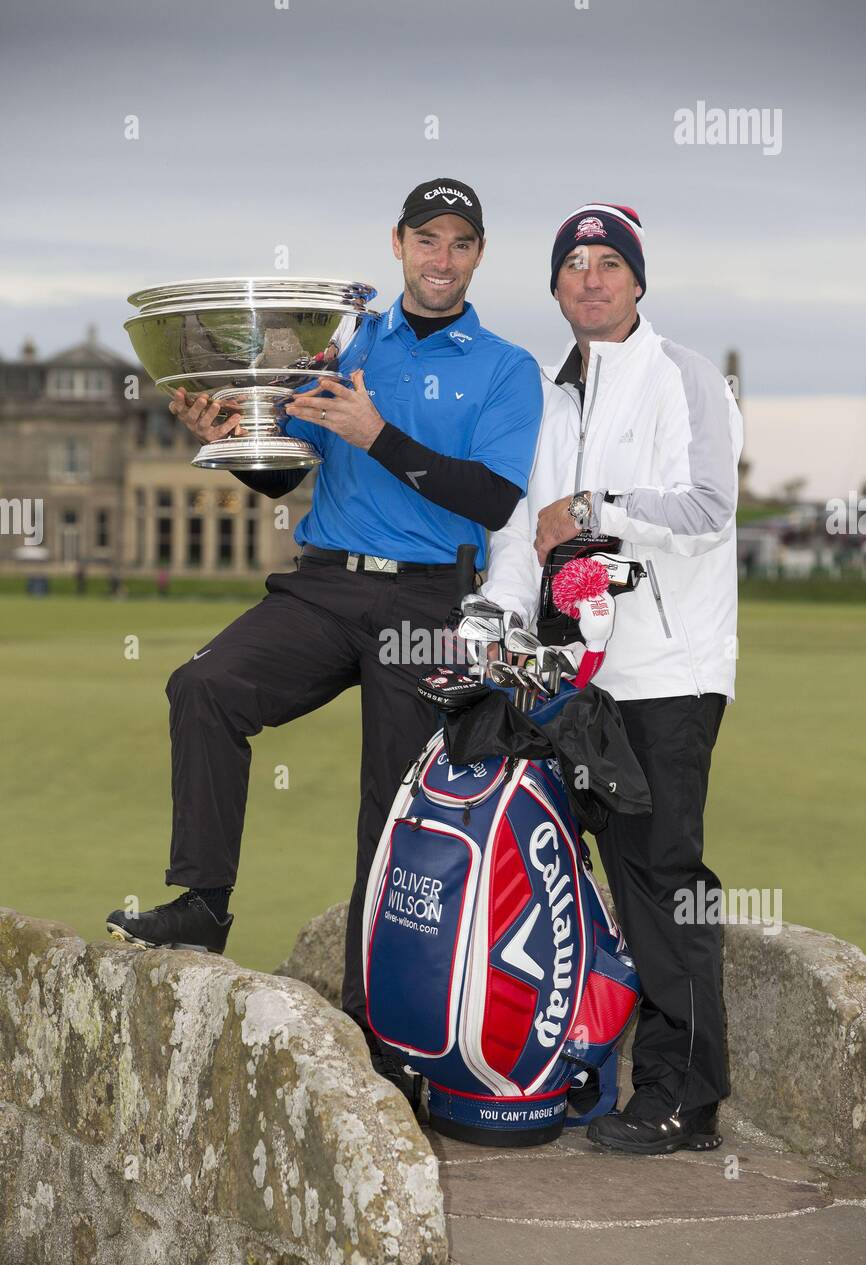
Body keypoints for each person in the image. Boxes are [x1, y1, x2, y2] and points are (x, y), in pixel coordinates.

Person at [106, 178, 544, 1069]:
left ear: (479, 256)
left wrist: (378, 432)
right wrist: (229, 433)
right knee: (205, 685)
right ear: (398, 244)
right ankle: (201, 903)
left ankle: (379, 1038)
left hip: (429, 599)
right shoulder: (340, 341)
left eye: (460, 243)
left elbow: (496, 499)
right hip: (323, 584)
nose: (441, 258)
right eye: (427, 239)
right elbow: (280, 473)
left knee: (389, 813)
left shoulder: (506, 366)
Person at [481, 203, 742, 1154]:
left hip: (667, 673)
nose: (591, 278)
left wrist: (600, 506)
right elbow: (523, 529)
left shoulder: (686, 377)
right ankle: (584, 1068)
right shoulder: (552, 397)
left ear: (637, 281)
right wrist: (498, 620)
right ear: (556, 287)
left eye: (608, 263)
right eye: (573, 265)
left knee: (663, 877)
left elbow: (710, 507)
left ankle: (683, 1099)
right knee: (575, 879)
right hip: (568, 679)